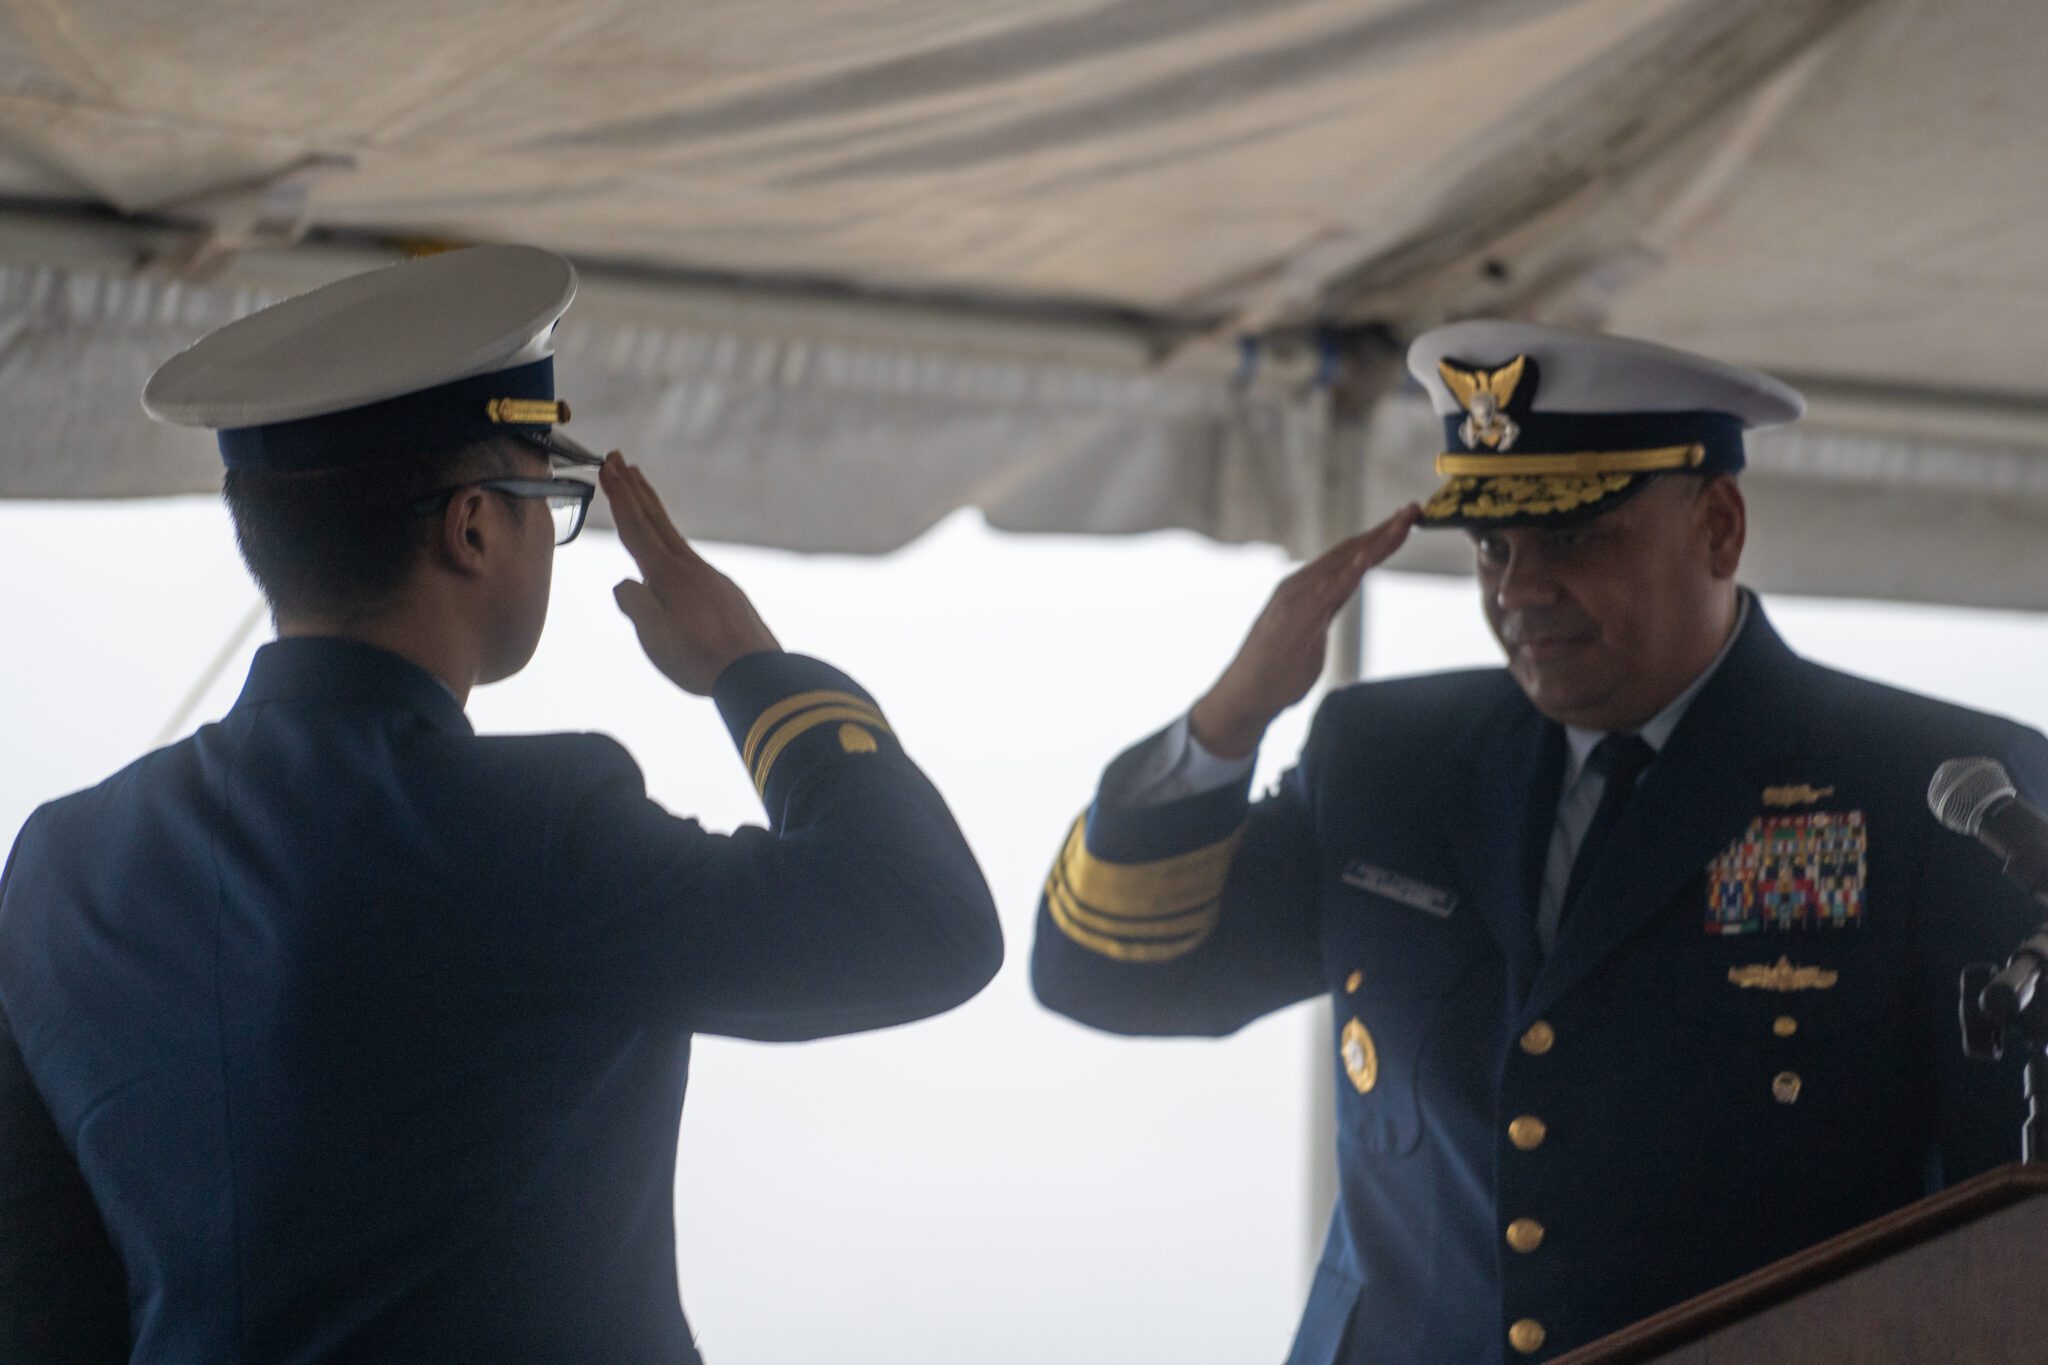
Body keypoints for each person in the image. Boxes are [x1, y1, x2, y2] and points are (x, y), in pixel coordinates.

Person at [0, 244, 1003, 1363]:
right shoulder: (535, 824)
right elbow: (925, 924)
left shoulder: (57, 865)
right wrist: (752, 670)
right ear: (473, 526)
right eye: (550, 503)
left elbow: (42, 1298)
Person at [1029, 320, 2048, 1363]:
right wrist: (1225, 726)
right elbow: (1109, 978)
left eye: (1571, 538)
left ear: (1718, 527)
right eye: (1491, 546)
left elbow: (2006, 1220)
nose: (1516, 588)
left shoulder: (1935, 787)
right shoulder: (1389, 761)